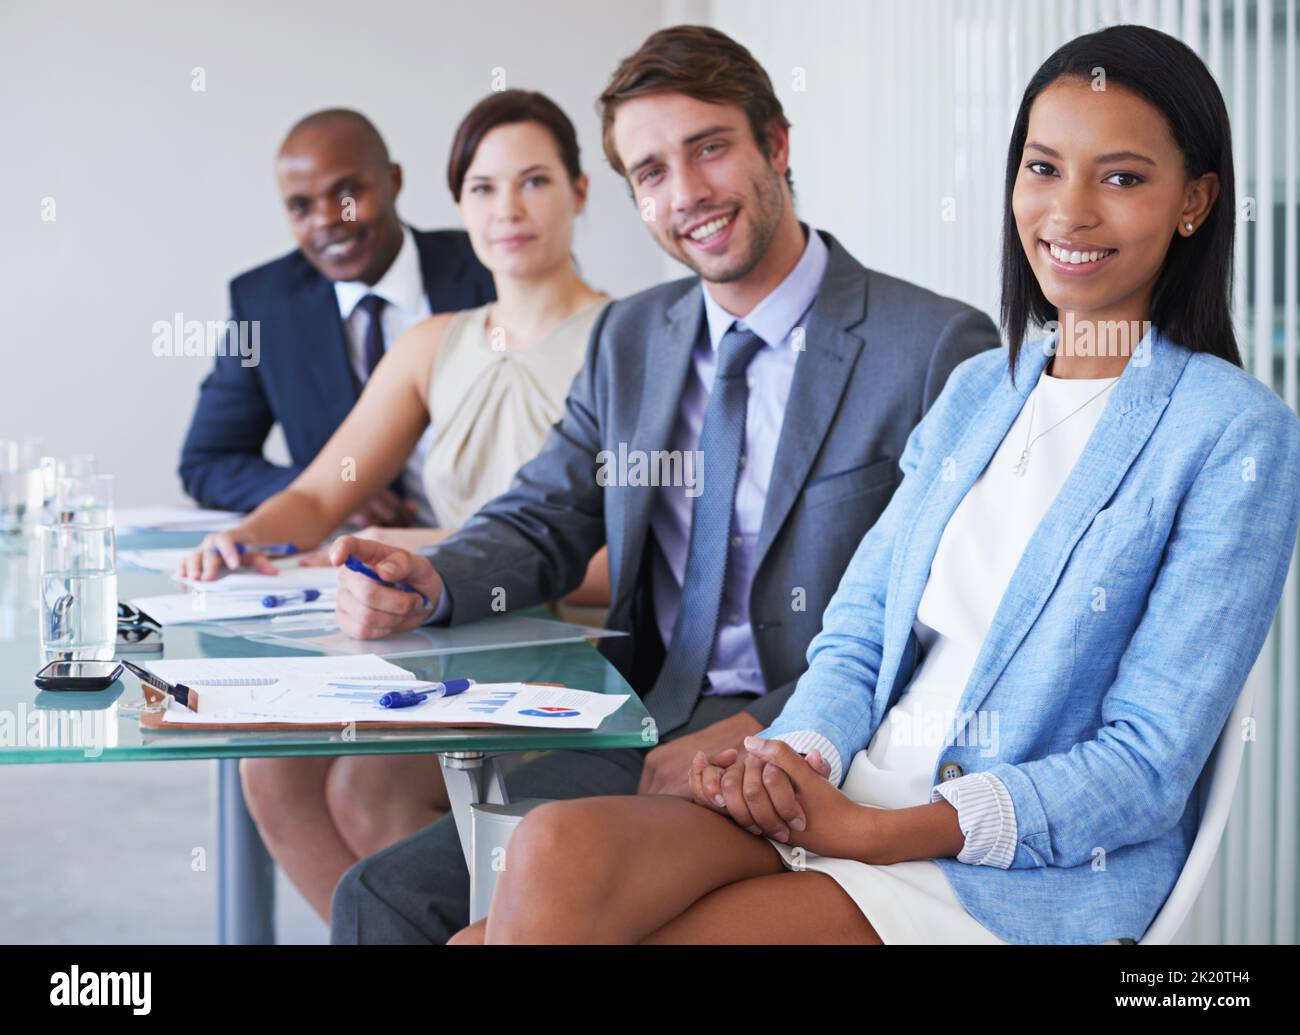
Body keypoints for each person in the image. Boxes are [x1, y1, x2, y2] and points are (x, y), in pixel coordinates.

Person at [453, 24, 1300, 946]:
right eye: (1044, 168)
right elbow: (857, 635)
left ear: (1196, 201)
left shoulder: (1232, 432)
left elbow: (1145, 765)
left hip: (997, 867)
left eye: (1123, 177)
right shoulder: (984, 388)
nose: (1070, 211)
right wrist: (796, 759)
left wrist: (884, 833)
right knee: (550, 849)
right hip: (849, 788)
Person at [326, 24, 1001, 945]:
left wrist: (769, 727)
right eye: (650, 172)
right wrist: (436, 577)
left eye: (709, 149)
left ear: (776, 144)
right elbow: (546, 513)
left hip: (813, 749)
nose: (686, 194)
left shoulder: (933, 349)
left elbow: (941, 627)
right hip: (641, 722)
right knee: (383, 899)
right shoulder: (630, 339)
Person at [177, 90, 613, 922]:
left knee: (367, 788)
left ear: (580, 191)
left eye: (534, 182)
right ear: (456, 204)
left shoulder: (629, 340)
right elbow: (316, 491)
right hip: (433, 638)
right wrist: (243, 536)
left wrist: (418, 544)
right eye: (483, 188)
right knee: (268, 769)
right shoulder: (433, 342)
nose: (507, 209)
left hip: (566, 643)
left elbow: (624, 563)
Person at [178, 108, 495, 527]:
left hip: (495, 555)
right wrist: (326, 491)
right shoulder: (263, 305)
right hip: (349, 566)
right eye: (300, 206)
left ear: (393, 182)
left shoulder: (489, 271)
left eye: (347, 195)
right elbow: (208, 462)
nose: (327, 219)